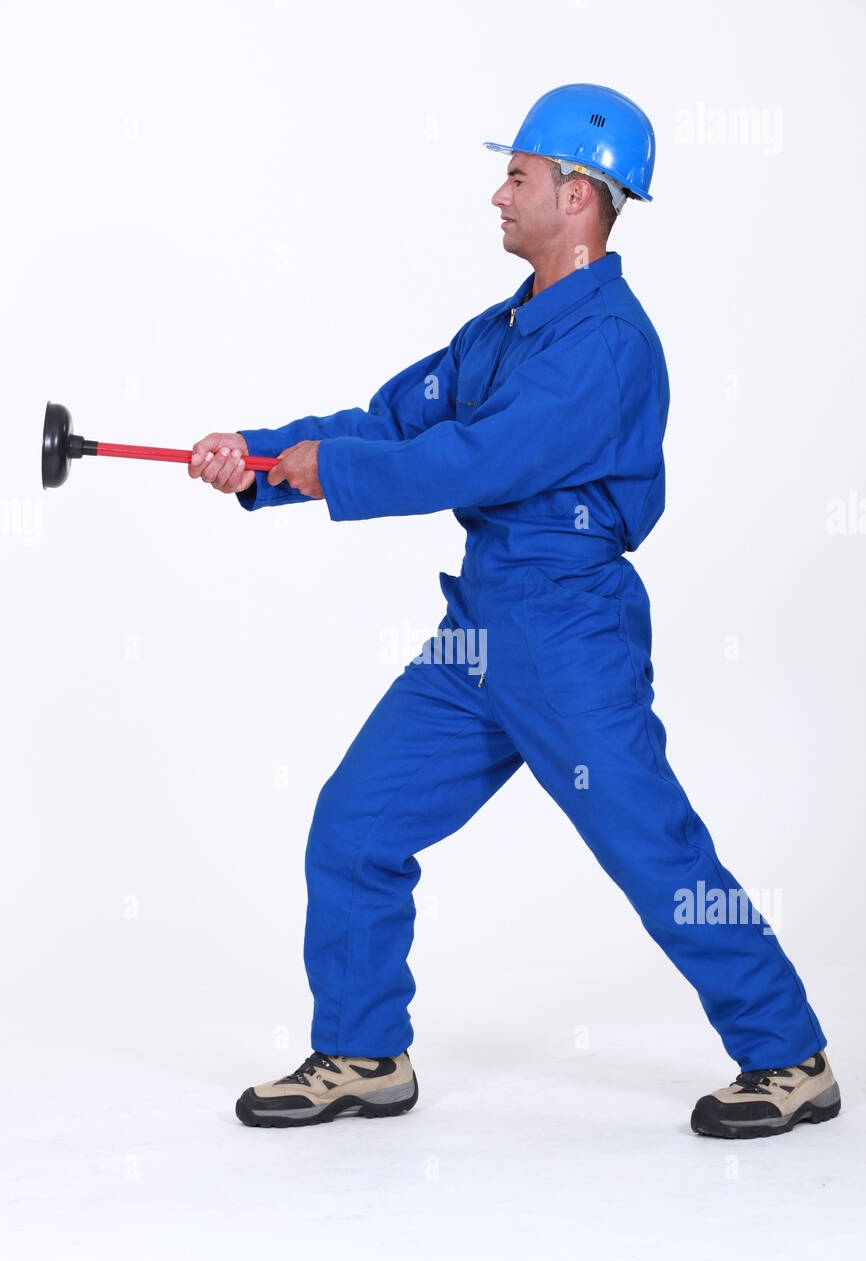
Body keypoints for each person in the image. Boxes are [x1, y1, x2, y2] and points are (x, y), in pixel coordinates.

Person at [189, 85, 838, 1140]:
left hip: (567, 630)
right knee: (354, 821)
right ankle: (361, 1051)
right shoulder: (499, 333)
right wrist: (259, 456)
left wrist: (326, 472)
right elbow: (391, 421)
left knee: (652, 849)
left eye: (519, 177)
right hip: (481, 627)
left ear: (578, 195)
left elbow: (474, 457)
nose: (498, 194)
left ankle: (785, 1053)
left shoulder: (607, 344)